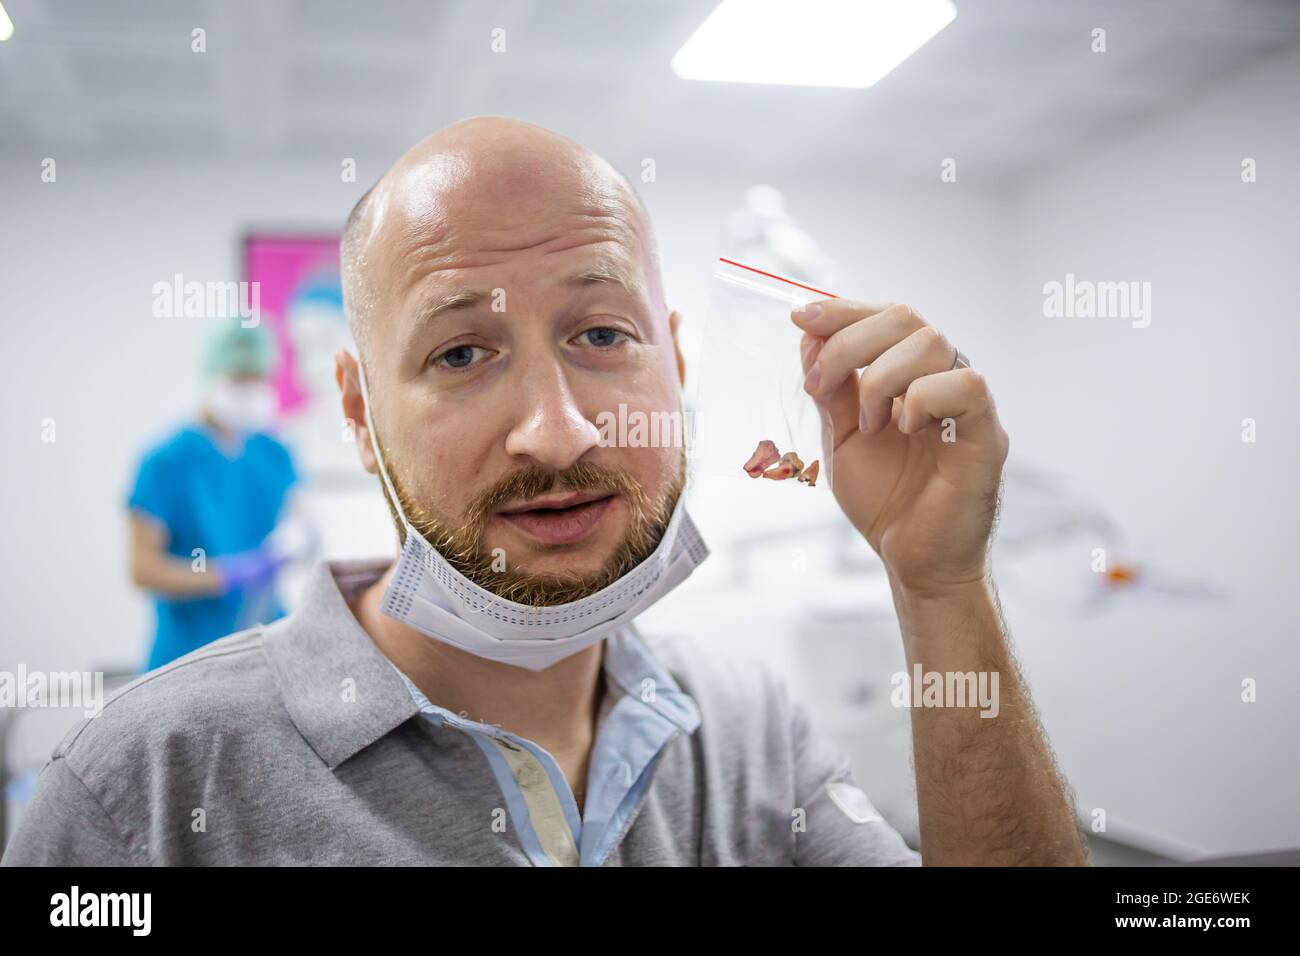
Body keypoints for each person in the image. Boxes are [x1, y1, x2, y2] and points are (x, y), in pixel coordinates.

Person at [2, 117, 1088, 866]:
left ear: (672, 360)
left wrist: (939, 583)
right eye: (462, 353)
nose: (559, 427)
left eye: (602, 333)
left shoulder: (749, 736)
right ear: (356, 410)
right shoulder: (146, 783)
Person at [125, 322, 300, 671]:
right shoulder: (167, 461)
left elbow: (299, 515)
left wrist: (300, 538)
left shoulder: (273, 452)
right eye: (239, 380)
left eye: (258, 380)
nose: (251, 391)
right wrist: (226, 575)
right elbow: (142, 568)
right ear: (212, 378)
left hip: (267, 643)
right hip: (188, 653)